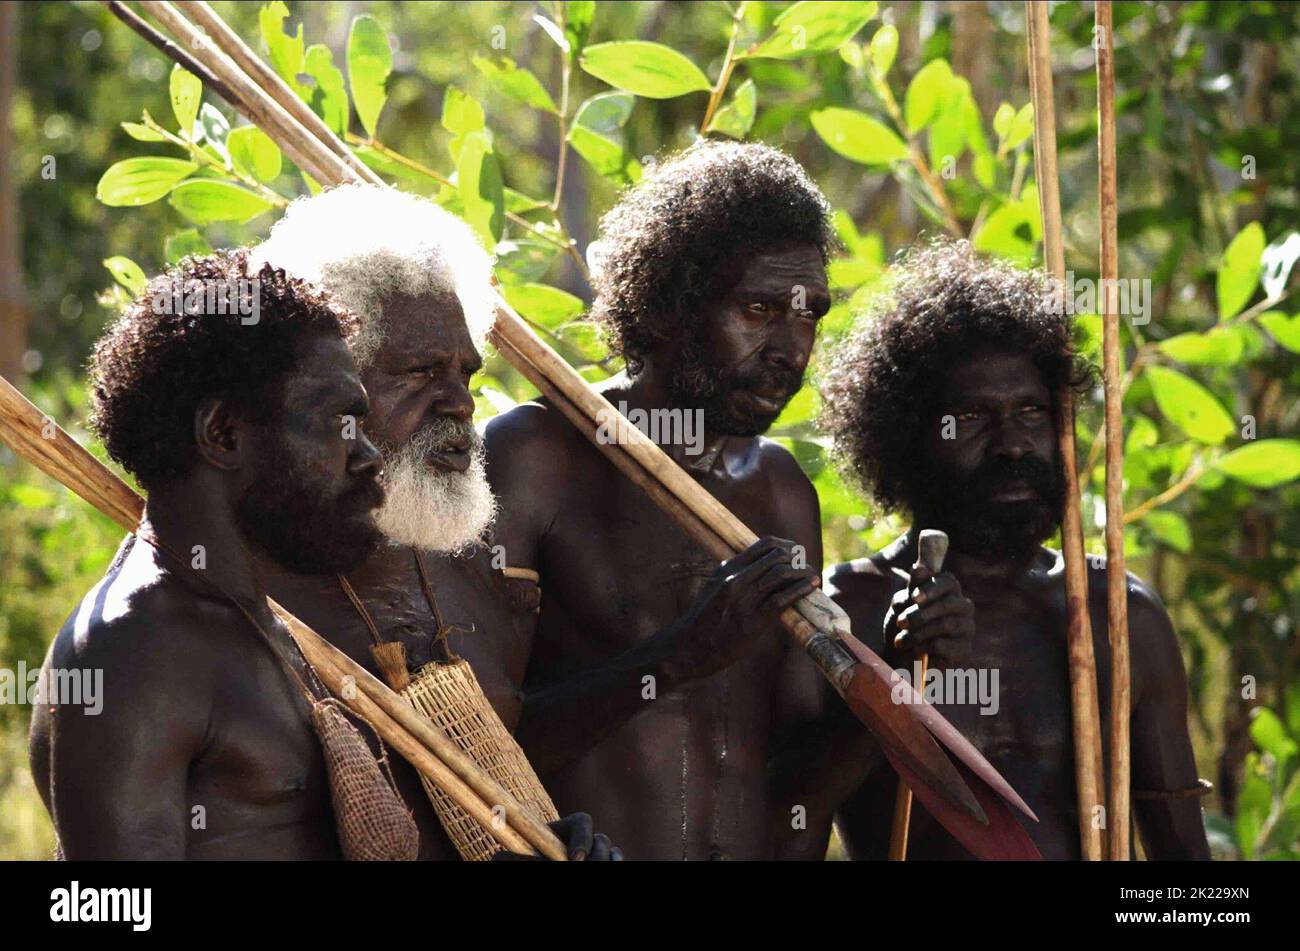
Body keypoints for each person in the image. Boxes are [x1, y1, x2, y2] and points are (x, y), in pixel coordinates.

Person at [486, 141, 836, 859]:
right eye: (761, 308)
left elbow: (798, 776)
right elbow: (472, 751)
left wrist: (895, 699)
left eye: (809, 315)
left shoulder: (780, 493)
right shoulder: (536, 459)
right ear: (668, 305)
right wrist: (677, 655)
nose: (791, 348)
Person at [254, 184, 615, 860]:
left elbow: (520, 765)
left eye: (466, 375)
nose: (459, 403)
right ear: (322, 385)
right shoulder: (224, 598)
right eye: (420, 371)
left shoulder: (469, 565)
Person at [818, 240, 1211, 859]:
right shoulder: (846, 614)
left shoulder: (1118, 616)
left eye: (1031, 412)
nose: (1012, 446)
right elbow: (784, 824)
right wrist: (888, 685)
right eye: (971, 417)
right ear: (901, 439)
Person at [29, 250, 390, 858]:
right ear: (223, 433)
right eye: (340, 422)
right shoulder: (138, 648)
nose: (370, 455)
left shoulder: (252, 618)